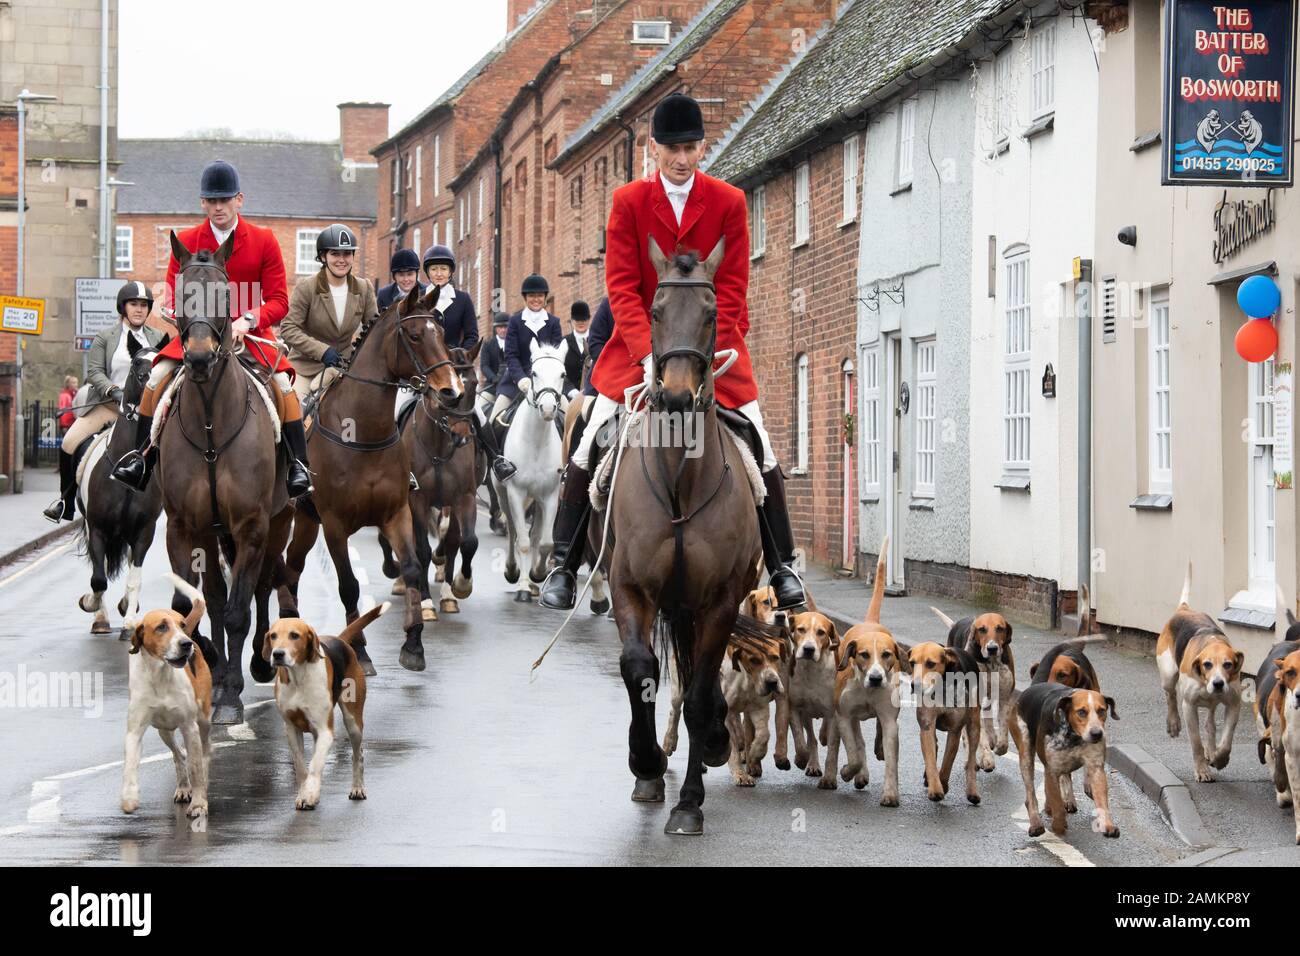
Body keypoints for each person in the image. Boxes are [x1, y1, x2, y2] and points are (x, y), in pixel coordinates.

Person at [540, 92, 805, 611]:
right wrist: (646, 354)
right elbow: (620, 287)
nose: (682, 160)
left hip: (712, 351)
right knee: (591, 435)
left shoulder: (728, 201)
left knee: (760, 443)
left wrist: (707, 354)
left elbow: (731, 288)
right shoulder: (629, 203)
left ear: (702, 145)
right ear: (653, 148)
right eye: (671, 150)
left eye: (690, 148)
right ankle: (564, 563)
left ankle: (782, 565)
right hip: (639, 349)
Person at [109, 160, 311, 498]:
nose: (218, 207)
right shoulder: (185, 241)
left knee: (284, 387)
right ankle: (141, 457)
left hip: (252, 337)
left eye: (225, 200)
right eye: (211, 201)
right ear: (203, 202)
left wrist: (248, 319)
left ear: (239, 200)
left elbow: (279, 300)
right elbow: (172, 295)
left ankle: (297, 467)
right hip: (198, 336)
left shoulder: (264, 240)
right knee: (155, 380)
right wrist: (176, 312)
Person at [43, 282, 167, 521]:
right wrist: (113, 390)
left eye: (143, 305)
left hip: (146, 410)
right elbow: (95, 371)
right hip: (108, 406)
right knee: (69, 442)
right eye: (134, 304)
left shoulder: (159, 337)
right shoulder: (105, 337)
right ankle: (65, 503)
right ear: (123, 307)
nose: (139, 310)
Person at [280, 224, 378, 406]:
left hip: (345, 368)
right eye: (335, 254)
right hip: (306, 368)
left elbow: (375, 330)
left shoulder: (364, 288)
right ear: (323, 256)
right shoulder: (307, 287)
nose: (342, 260)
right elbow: (288, 328)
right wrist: (322, 351)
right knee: (293, 413)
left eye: (347, 254)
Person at [421, 244, 478, 350]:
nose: (439, 274)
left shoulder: (463, 299)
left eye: (443, 269)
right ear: (428, 272)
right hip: (423, 362)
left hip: (454, 362)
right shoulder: (418, 298)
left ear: (450, 272)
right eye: (433, 269)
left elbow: (472, 336)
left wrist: (460, 356)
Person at [376, 247, 425, 313]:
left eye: (410, 274)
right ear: (394, 276)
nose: (406, 279)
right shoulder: (384, 295)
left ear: (417, 274)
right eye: (401, 275)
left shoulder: (427, 292)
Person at [562, 300, 591, 399]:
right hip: (569, 396)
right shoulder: (563, 342)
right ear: (572, 320)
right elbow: (559, 371)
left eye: (584, 319)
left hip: (593, 395)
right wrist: (570, 390)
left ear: (589, 319)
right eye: (577, 320)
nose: (580, 323)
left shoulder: (597, 341)